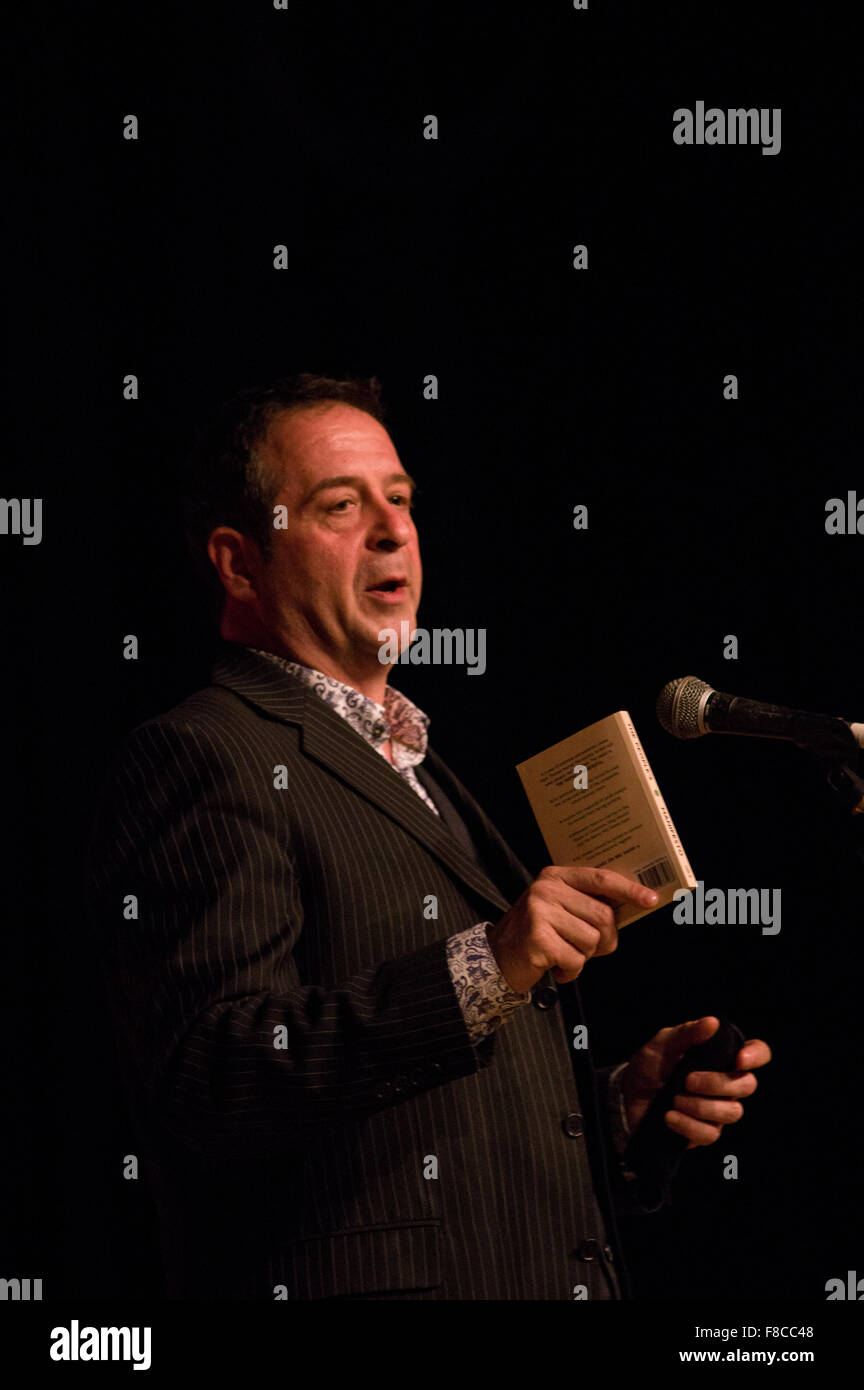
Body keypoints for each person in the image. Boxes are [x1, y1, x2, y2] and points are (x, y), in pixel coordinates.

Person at [86, 373, 771, 1300]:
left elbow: (426, 1129)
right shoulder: (206, 751)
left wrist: (608, 1113)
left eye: (400, 499)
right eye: (340, 504)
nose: (392, 528)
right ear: (240, 563)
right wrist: (489, 962)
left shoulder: (418, 762)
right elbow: (214, 1078)